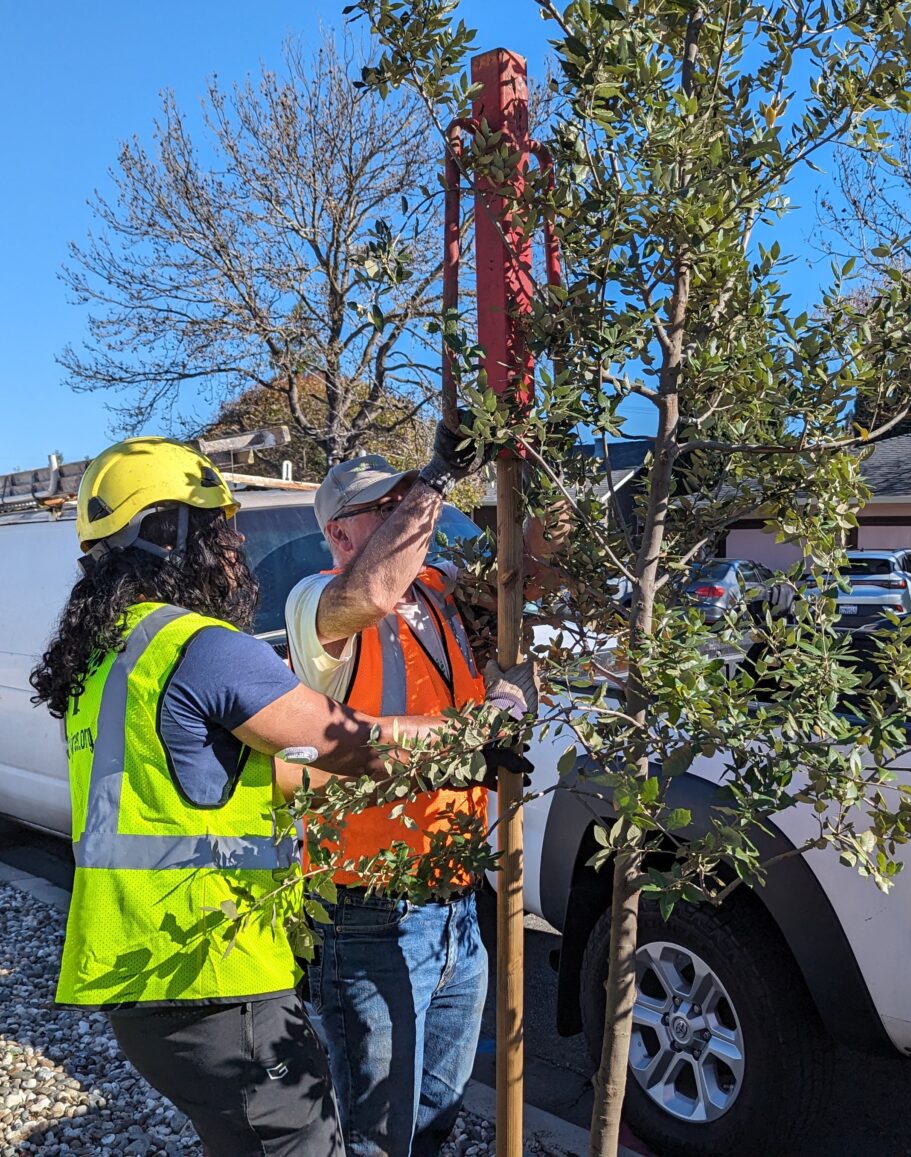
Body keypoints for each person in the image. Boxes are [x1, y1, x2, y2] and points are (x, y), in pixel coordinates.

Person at [28, 437, 536, 1157]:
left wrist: (445, 764)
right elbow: (346, 740)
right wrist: (477, 735)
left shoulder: (110, 652)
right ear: (169, 533)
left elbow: (287, 775)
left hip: (145, 982)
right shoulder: (201, 645)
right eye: (218, 526)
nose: (235, 543)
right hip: (214, 977)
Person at [284, 423, 549, 1157]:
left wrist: (546, 470)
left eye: (409, 497)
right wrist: (435, 476)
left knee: (437, 1112)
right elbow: (369, 591)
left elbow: (531, 575)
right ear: (341, 532)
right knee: (375, 1132)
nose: (413, 510)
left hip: (457, 899)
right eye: (390, 504)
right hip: (368, 911)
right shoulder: (319, 604)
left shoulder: (438, 595)